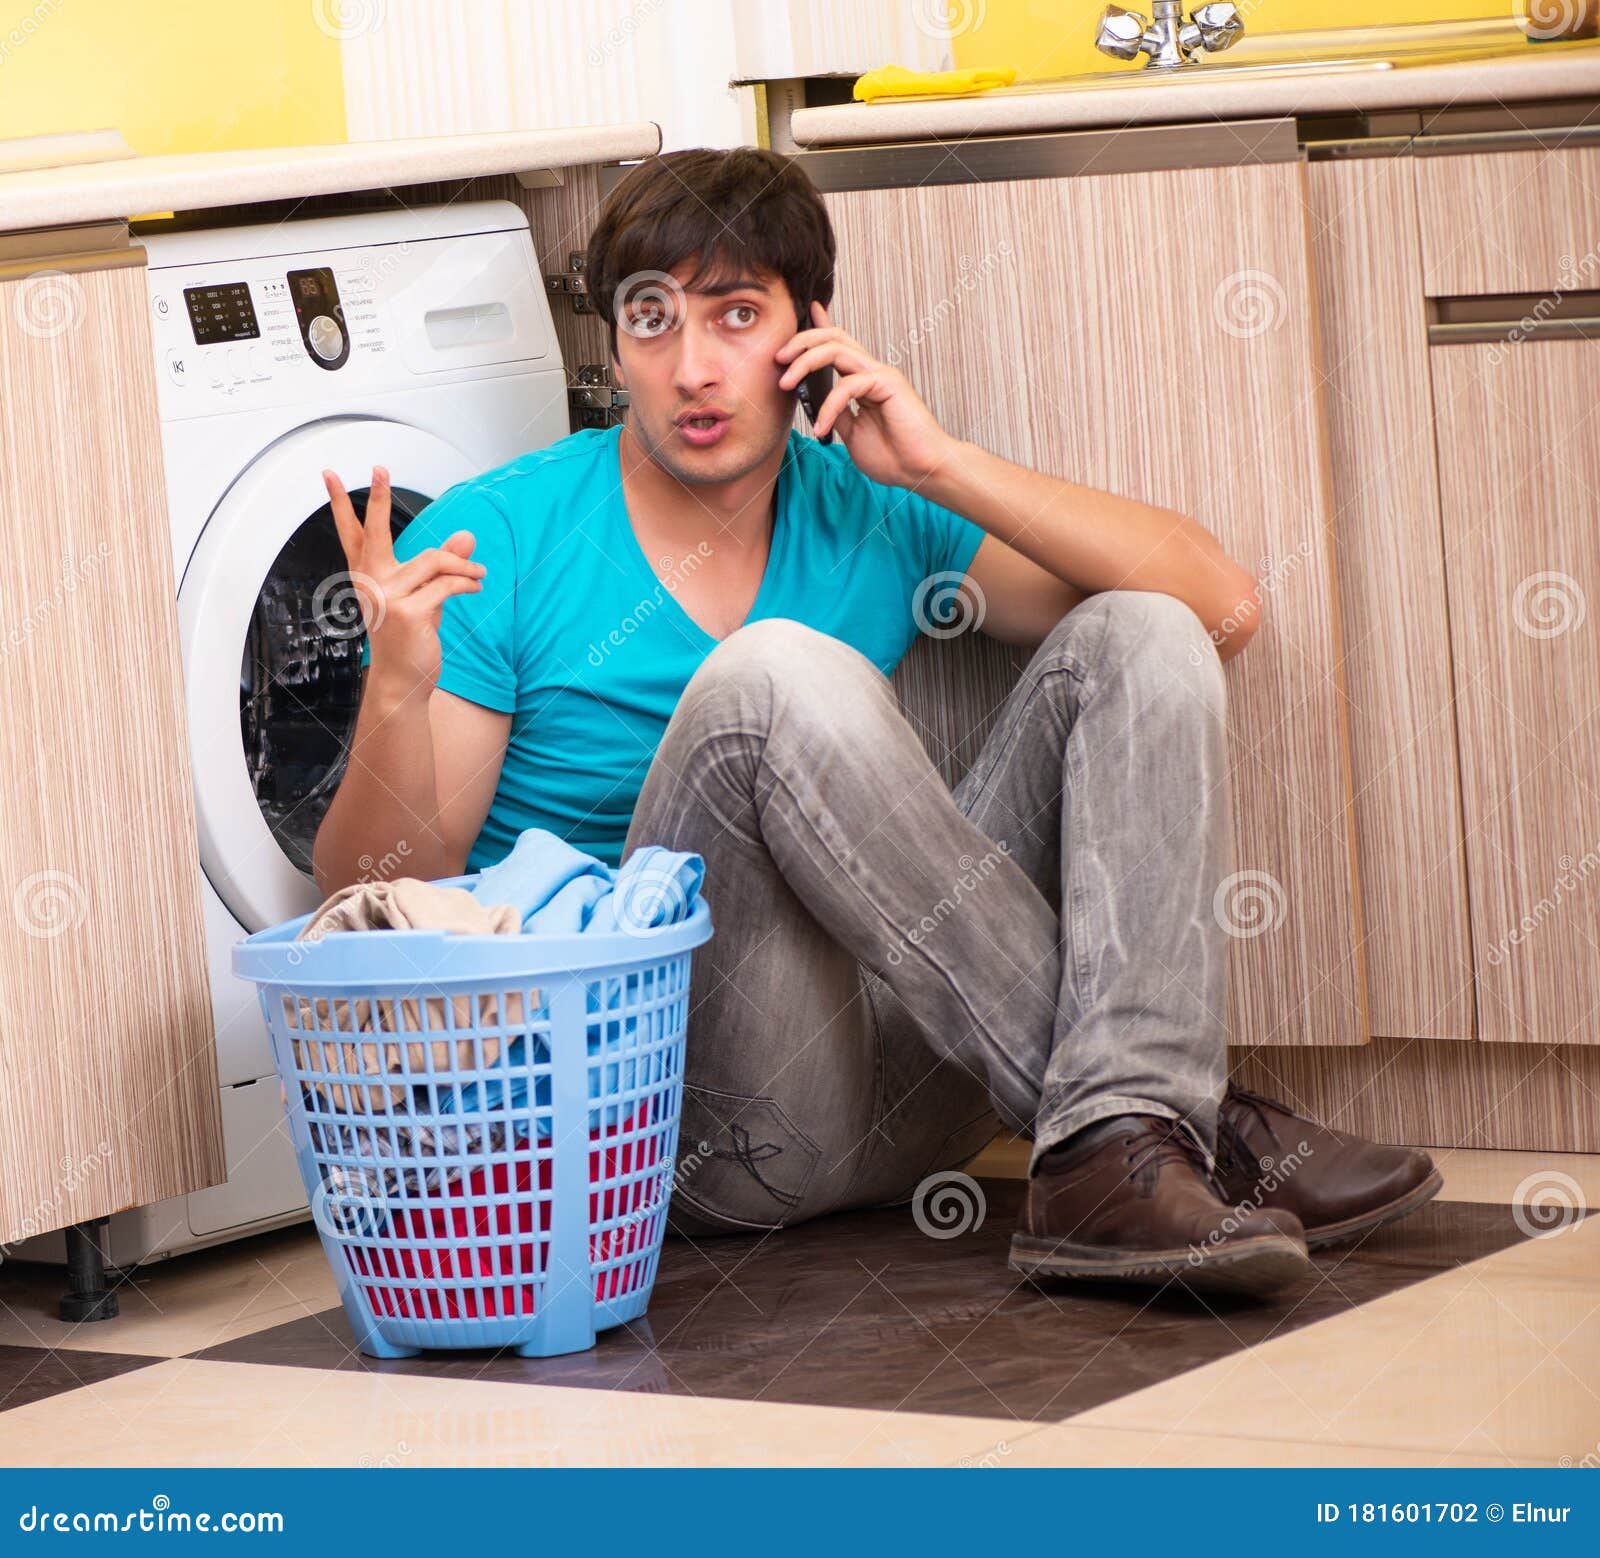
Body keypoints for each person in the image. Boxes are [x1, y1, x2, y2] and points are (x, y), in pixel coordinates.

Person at [312, 146, 1440, 1298]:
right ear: (615, 350)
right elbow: (367, 896)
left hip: (928, 1094)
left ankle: (1118, 1135)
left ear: (809, 335)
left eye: (737, 315)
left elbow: (1220, 608)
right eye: (652, 324)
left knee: (1137, 632)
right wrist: (395, 691)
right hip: (684, 1127)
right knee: (771, 677)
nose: (694, 368)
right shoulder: (494, 535)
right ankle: (1178, 1114)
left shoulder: (870, 508)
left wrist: (939, 465)